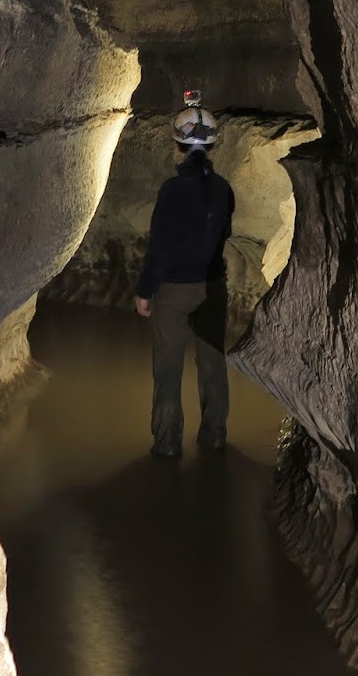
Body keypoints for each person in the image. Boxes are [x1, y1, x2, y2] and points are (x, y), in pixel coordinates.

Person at [134, 92, 235, 458]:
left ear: (178, 146)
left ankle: (167, 444)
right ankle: (214, 436)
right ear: (212, 146)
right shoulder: (223, 189)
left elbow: (161, 246)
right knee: (211, 366)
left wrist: (146, 290)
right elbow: (223, 234)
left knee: (168, 369)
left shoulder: (173, 189)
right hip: (212, 286)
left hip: (175, 290)